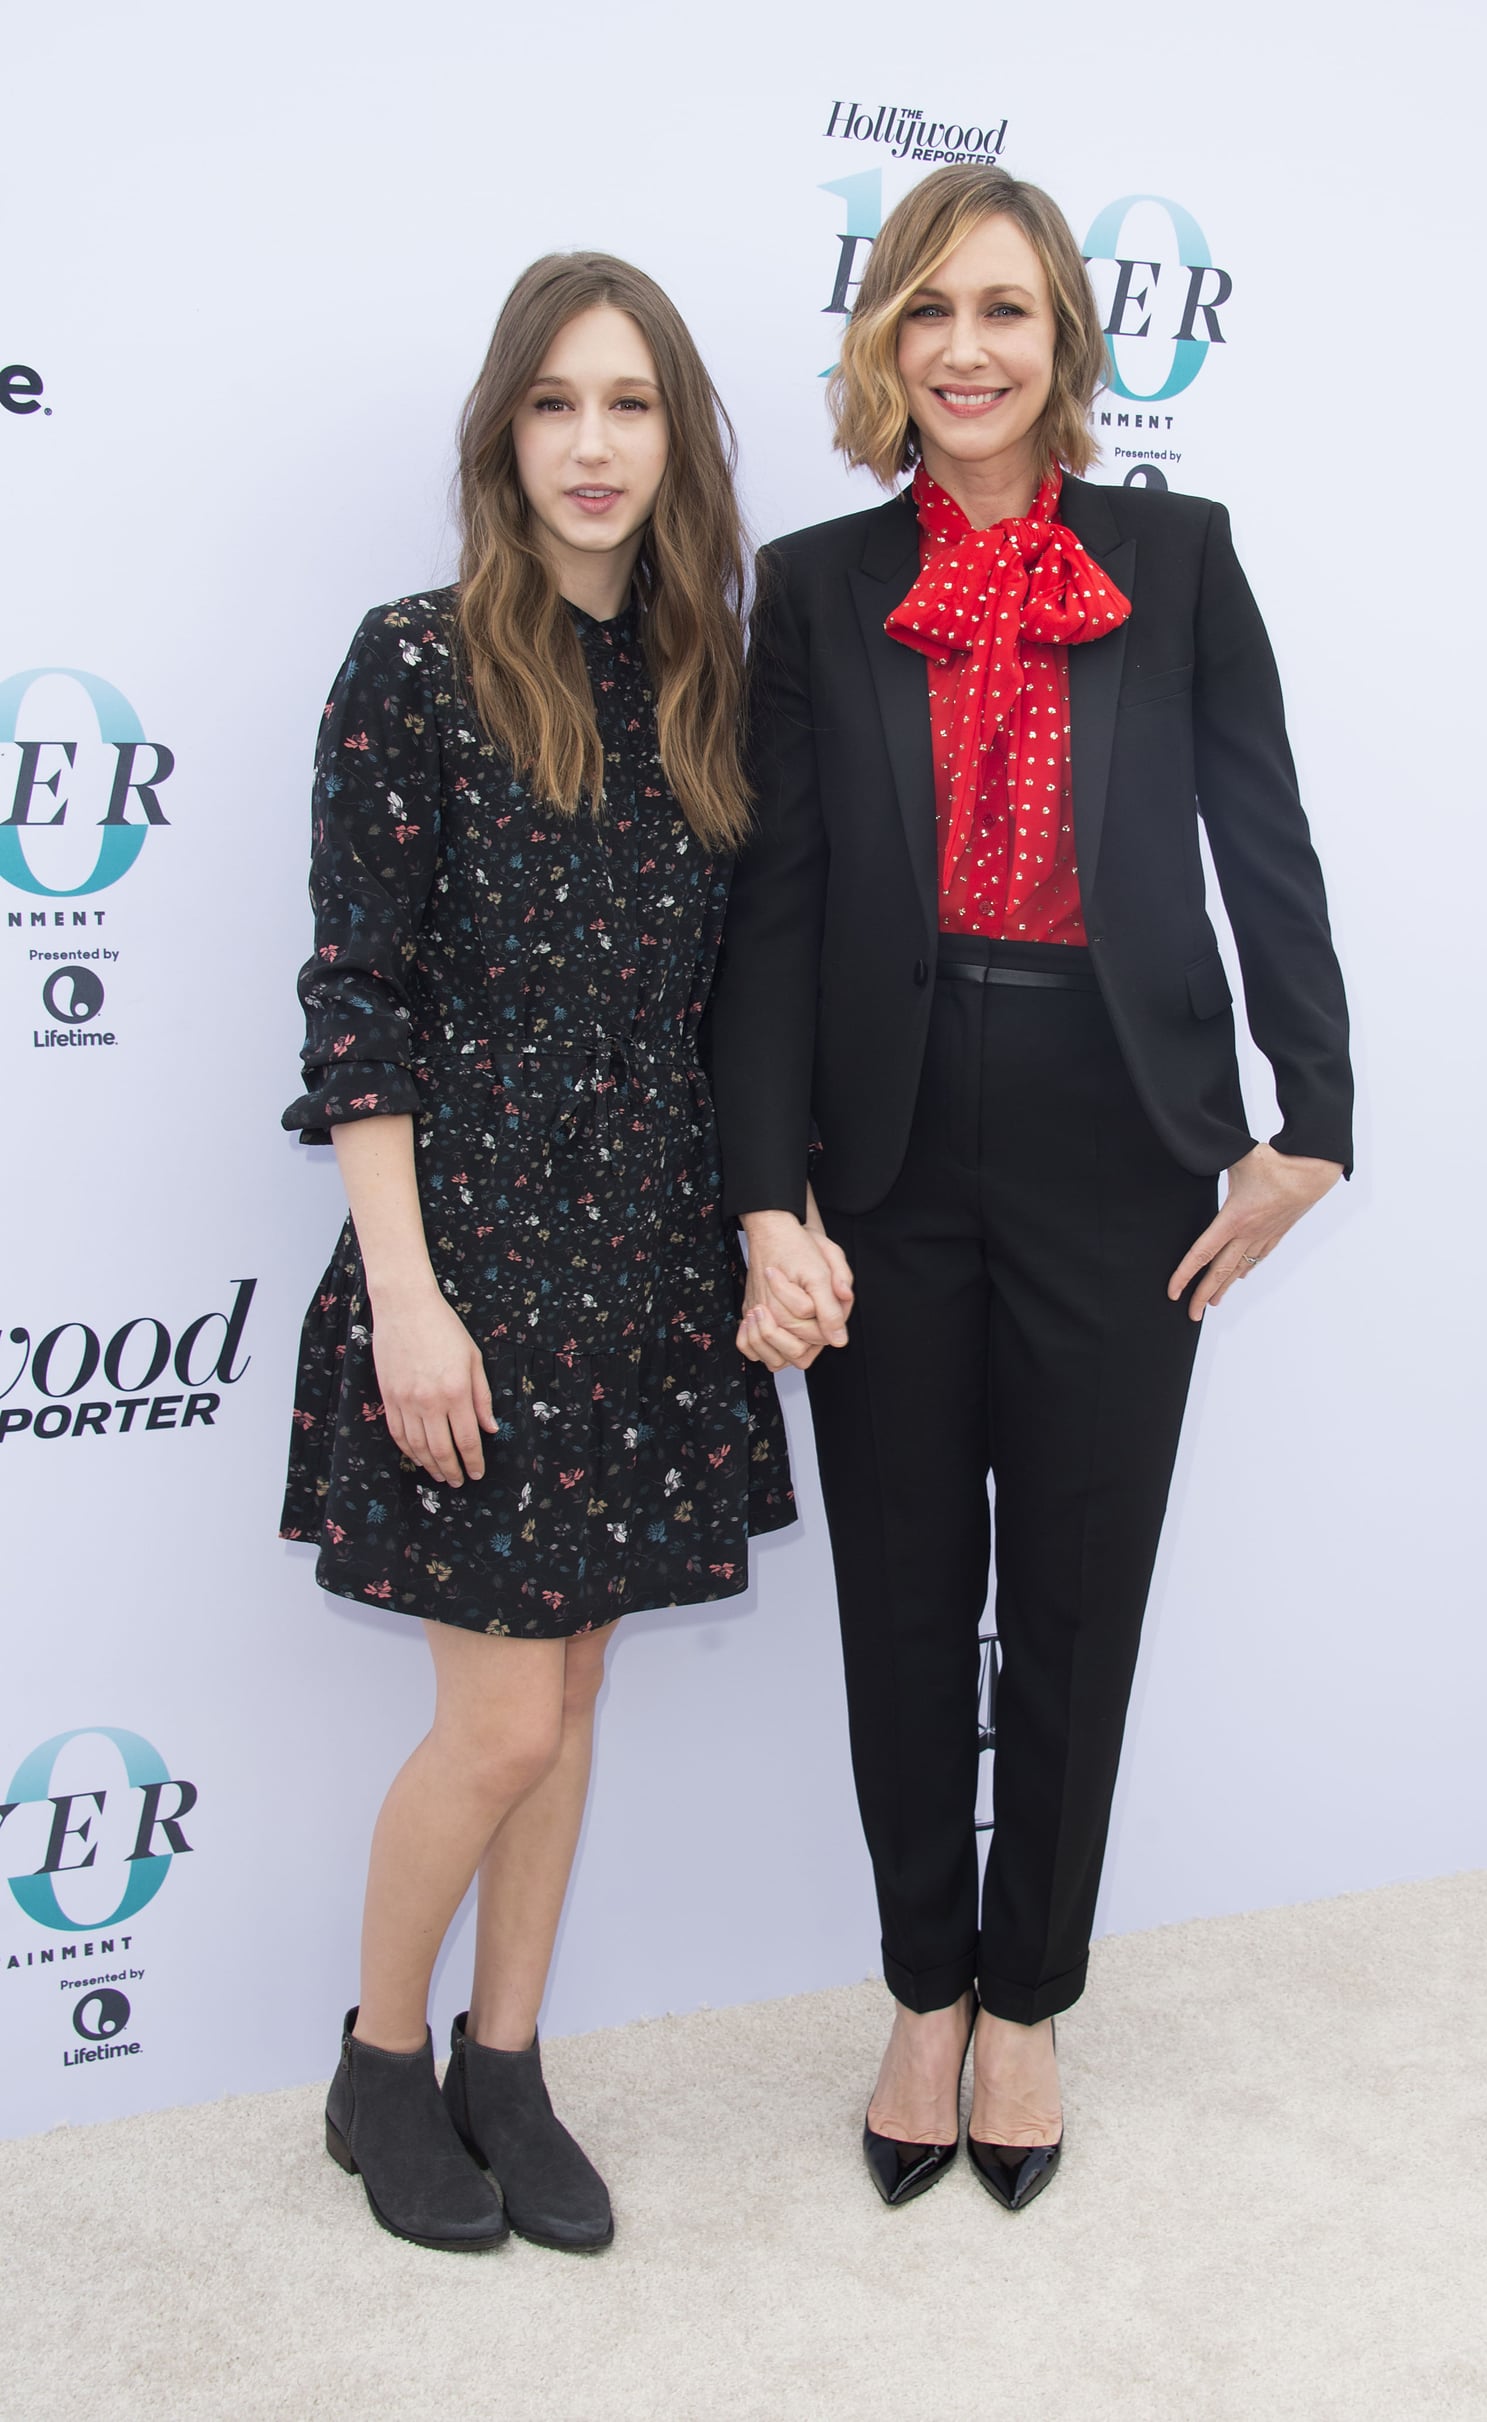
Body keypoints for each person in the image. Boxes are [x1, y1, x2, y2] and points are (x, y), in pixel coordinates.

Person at [708, 165, 1352, 2213]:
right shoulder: (813, 586)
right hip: (881, 1149)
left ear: (1066, 334)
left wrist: (1312, 1117)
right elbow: (779, 905)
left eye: (1004, 309)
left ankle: (1030, 2001)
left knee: (1077, 1593)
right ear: (882, 343)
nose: (966, 350)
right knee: (905, 1593)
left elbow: (1267, 837)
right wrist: (765, 1191)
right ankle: (921, 1988)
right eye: (927, 313)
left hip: (1120, 1130)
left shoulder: (1179, 555)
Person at [279, 253, 792, 2254]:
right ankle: (379, 2063)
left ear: (678, 440)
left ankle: (510, 2055)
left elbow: (749, 995)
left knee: (569, 1709)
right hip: (472, 1267)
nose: (593, 444)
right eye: (556, 403)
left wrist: (772, 1216)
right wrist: (406, 1294)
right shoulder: (410, 667)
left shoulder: (708, 684)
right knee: (493, 1720)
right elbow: (360, 1003)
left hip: (652, 1258)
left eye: (632, 404)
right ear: (508, 434)